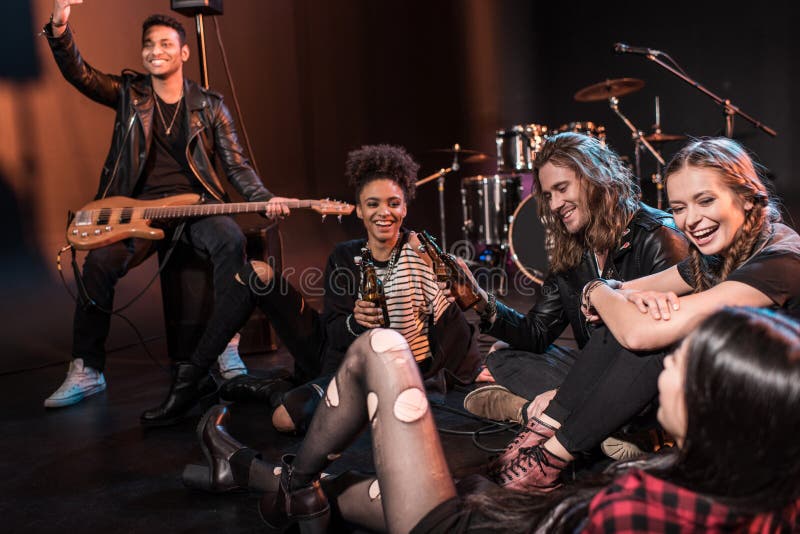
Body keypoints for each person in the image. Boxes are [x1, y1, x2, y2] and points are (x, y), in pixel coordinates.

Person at [197, 307, 800, 532]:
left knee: (382, 348)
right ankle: (255, 474)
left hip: (466, 528)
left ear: (719, 402)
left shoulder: (635, 512)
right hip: (498, 516)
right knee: (354, 492)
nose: (670, 362)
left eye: (685, 360)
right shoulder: (760, 487)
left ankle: (292, 482)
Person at [490, 136, 800, 492]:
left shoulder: (781, 261)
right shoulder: (715, 254)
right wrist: (608, 293)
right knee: (511, 354)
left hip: (773, 422)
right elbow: (625, 292)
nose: (691, 220)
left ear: (746, 197)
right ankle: (541, 435)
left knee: (655, 336)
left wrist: (604, 295)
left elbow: (639, 335)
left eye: (705, 201)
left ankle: (549, 458)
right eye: (680, 207)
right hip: (723, 396)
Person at [41, 1, 295, 416]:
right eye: (148, 44)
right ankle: (88, 368)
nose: (155, 50)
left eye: (164, 43)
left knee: (230, 241)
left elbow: (236, 166)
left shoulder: (210, 106)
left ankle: (225, 349)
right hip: (140, 211)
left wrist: (264, 199)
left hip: (197, 208)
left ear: (183, 53)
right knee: (99, 263)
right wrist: (60, 24)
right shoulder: (129, 94)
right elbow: (80, 74)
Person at [179, 143, 481, 476]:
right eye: (373, 204)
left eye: (394, 203)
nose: (384, 212)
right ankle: (191, 377)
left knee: (283, 417)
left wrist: (473, 361)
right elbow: (334, 333)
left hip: (375, 374)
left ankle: (269, 388)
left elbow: (452, 332)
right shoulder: (345, 256)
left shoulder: (422, 254)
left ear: (405, 207)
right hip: (336, 358)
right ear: (360, 211)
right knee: (257, 272)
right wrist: (355, 322)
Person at [460, 132, 688, 453]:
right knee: (502, 355)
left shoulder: (659, 237)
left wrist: (566, 393)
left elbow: (666, 351)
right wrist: (478, 299)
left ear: (596, 177)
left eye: (562, 189)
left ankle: (537, 413)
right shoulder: (573, 249)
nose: (553, 205)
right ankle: (581, 421)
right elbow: (537, 333)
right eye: (548, 195)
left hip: (648, 384)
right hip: (594, 376)